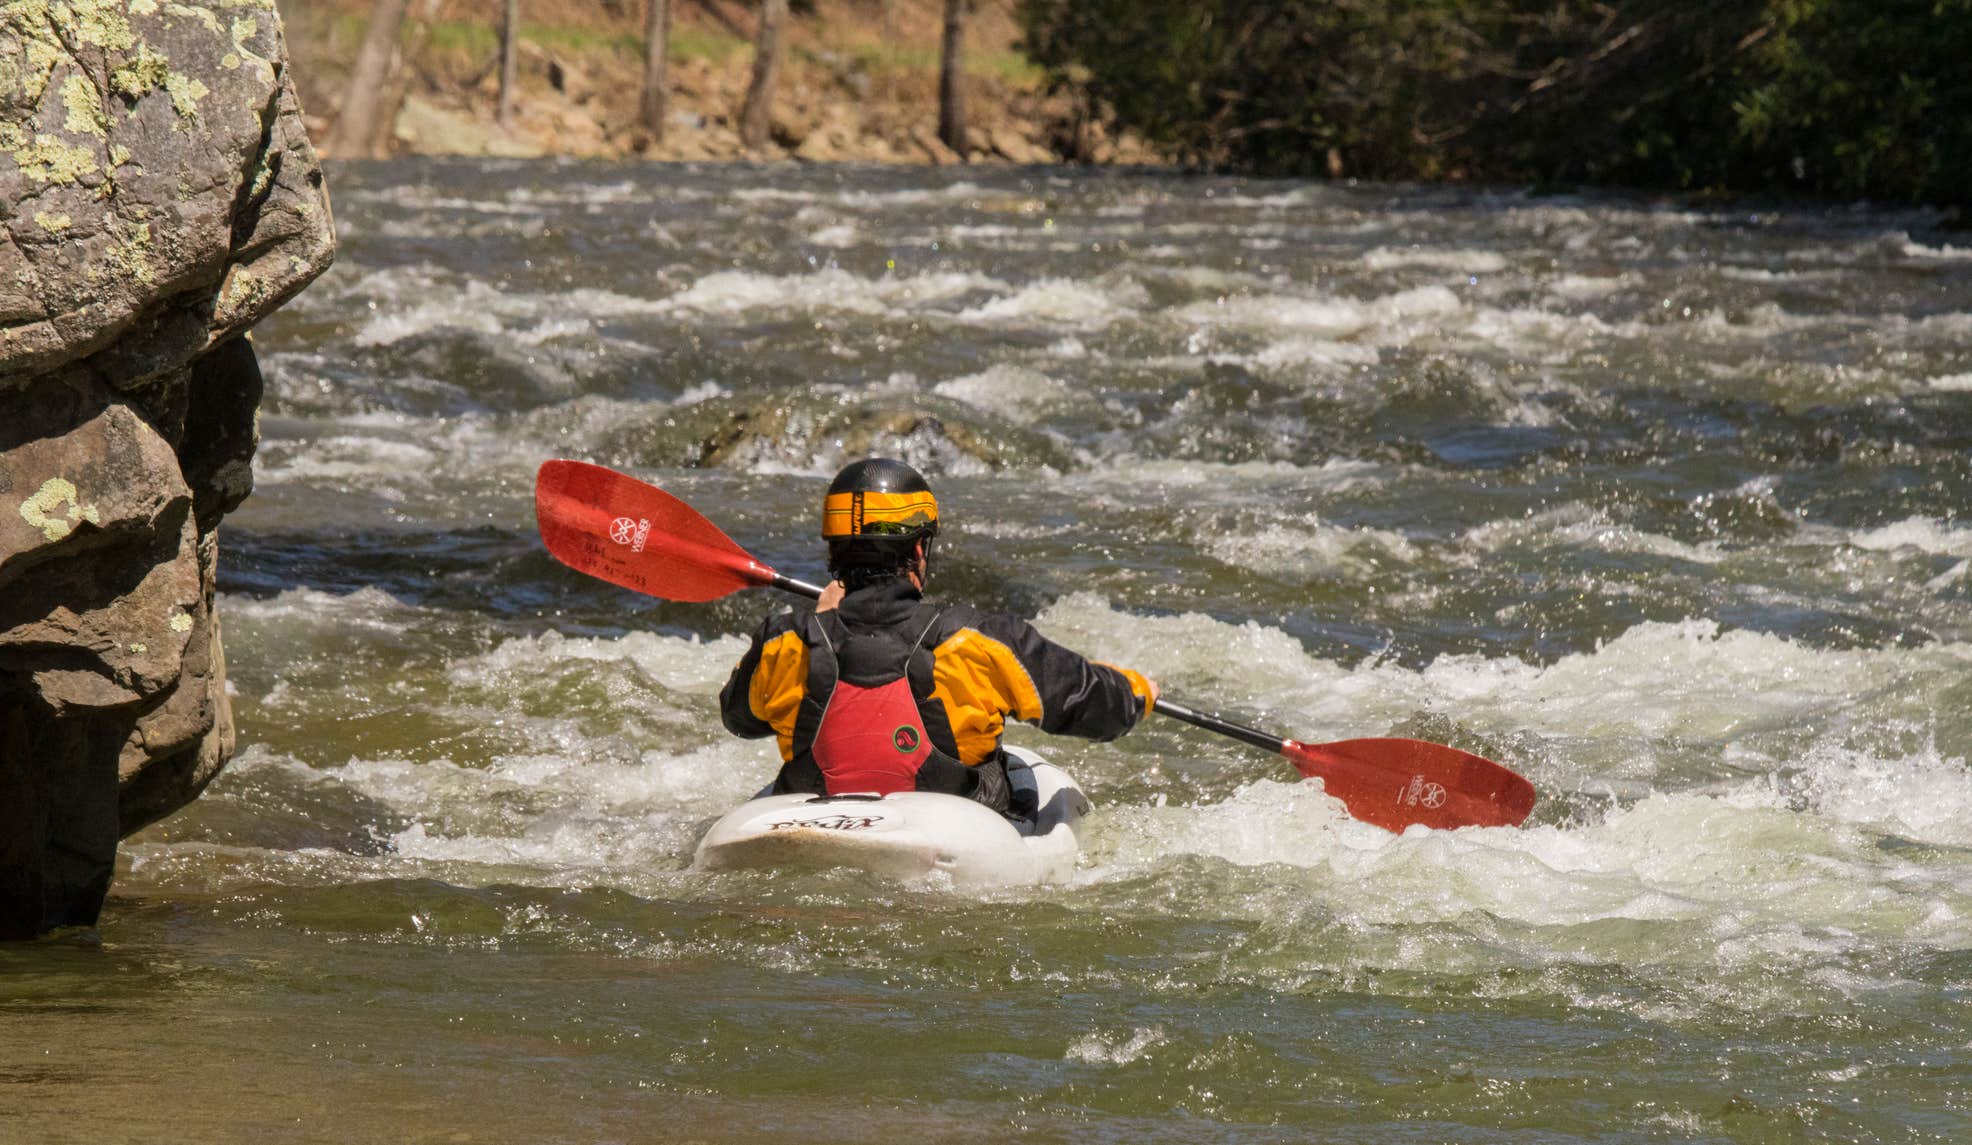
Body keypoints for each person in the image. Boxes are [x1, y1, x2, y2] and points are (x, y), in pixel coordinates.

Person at [718, 457, 1158, 818]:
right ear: (918, 549)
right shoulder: (977, 639)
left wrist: (820, 623)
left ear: (834, 551)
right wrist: (1136, 693)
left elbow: (741, 720)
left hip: (818, 816)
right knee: (1015, 770)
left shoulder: (782, 641)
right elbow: (1091, 706)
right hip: (954, 827)